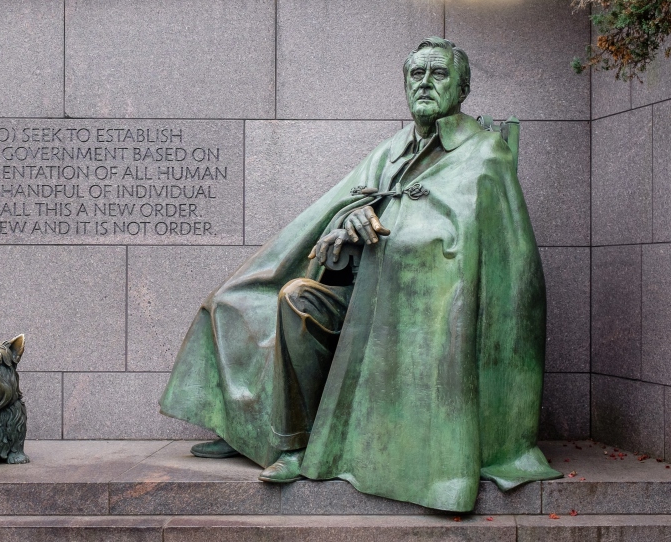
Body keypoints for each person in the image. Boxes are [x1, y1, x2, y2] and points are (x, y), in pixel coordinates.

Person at [159, 37, 561, 512]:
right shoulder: (391, 149)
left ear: (463, 86)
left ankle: (315, 446)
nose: (425, 84)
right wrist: (345, 226)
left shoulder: (485, 153)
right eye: (417, 75)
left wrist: (396, 235)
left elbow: (493, 261)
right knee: (280, 297)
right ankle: (280, 438)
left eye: (438, 74)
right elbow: (344, 211)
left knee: (295, 301)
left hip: (423, 313)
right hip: (361, 296)